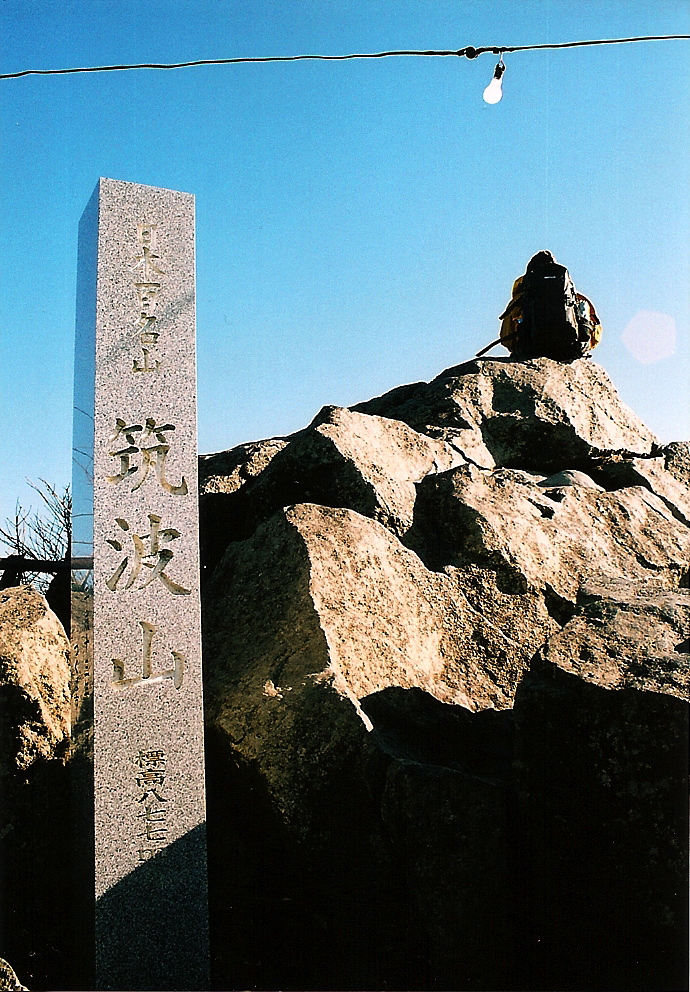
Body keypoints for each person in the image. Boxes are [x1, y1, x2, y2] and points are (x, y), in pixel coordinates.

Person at [499, 251, 602, 360]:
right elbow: (595, 337)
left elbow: (506, 340)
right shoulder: (575, 297)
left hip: (531, 349)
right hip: (569, 351)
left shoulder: (520, 298)